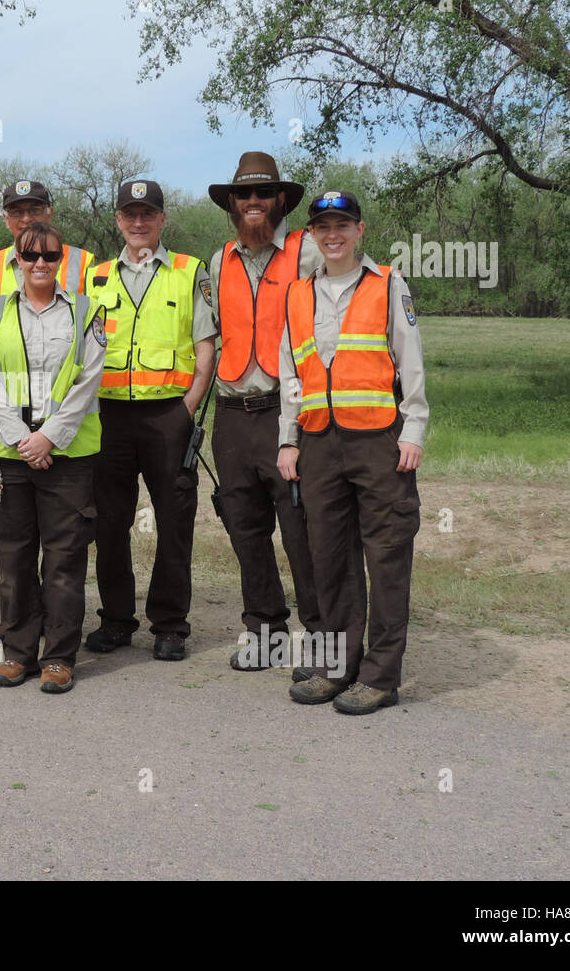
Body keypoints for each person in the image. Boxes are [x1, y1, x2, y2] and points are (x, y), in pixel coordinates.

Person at [277, 190, 428, 714]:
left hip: (379, 441)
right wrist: (288, 439)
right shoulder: (297, 295)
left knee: (386, 557)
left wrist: (414, 431)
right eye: (323, 227)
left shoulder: (388, 284)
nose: (333, 234)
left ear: (359, 230)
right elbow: (290, 377)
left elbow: (411, 361)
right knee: (331, 560)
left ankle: (381, 676)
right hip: (319, 444)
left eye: (342, 224)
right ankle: (337, 668)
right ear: (312, 236)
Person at [206, 152, 331, 673]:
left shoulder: (308, 253)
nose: (253, 203)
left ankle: (324, 637)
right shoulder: (219, 260)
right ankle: (266, 633)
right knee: (244, 530)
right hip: (232, 414)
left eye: (263, 194)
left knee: (302, 530)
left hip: (289, 412)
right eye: (243, 196)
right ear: (232, 204)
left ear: (281, 200)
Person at [85, 179, 216, 661]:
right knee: (109, 524)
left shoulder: (189, 272)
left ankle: (170, 626)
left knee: (174, 521)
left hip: (168, 414)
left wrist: (186, 409)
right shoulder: (94, 277)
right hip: (109, 417)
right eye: (129, 214)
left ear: (163, 219)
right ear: (118, 219)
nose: (138, 222)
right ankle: (117, 621)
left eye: (148, 214)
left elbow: (206, 349)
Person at [0, 221, 105, 693]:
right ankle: (18, 653)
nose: (41, 264)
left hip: (67, 456)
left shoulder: (86, 312)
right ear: (17, 262)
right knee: (14, 560)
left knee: (64, 560)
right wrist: (20, 440)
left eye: (50, 256)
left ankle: (59, 658)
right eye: (31, 256)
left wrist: (48, 437)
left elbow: (88, 382)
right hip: (7, 456)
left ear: (61, 261)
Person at [0, 180, 94, 298]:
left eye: (35, 210)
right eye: (16, 212)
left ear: (49, 214)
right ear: (6, 219)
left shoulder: (82, 262)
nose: (26, 219)